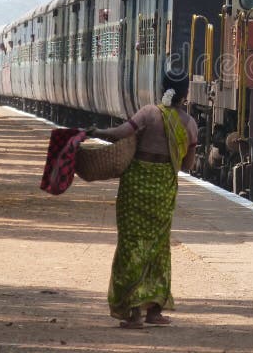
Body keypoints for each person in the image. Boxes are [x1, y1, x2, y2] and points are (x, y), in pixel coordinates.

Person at [88, 73, 198, 329]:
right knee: (158, 247)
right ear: (185, 95)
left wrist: (96, 131)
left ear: (162, 90)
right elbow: (188, 165)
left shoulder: (148, 113)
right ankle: (155, 310)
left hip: (136, 185)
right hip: (163, 189)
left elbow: (120, 134)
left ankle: (133, 311)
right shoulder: (190, 124)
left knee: (131, 245)